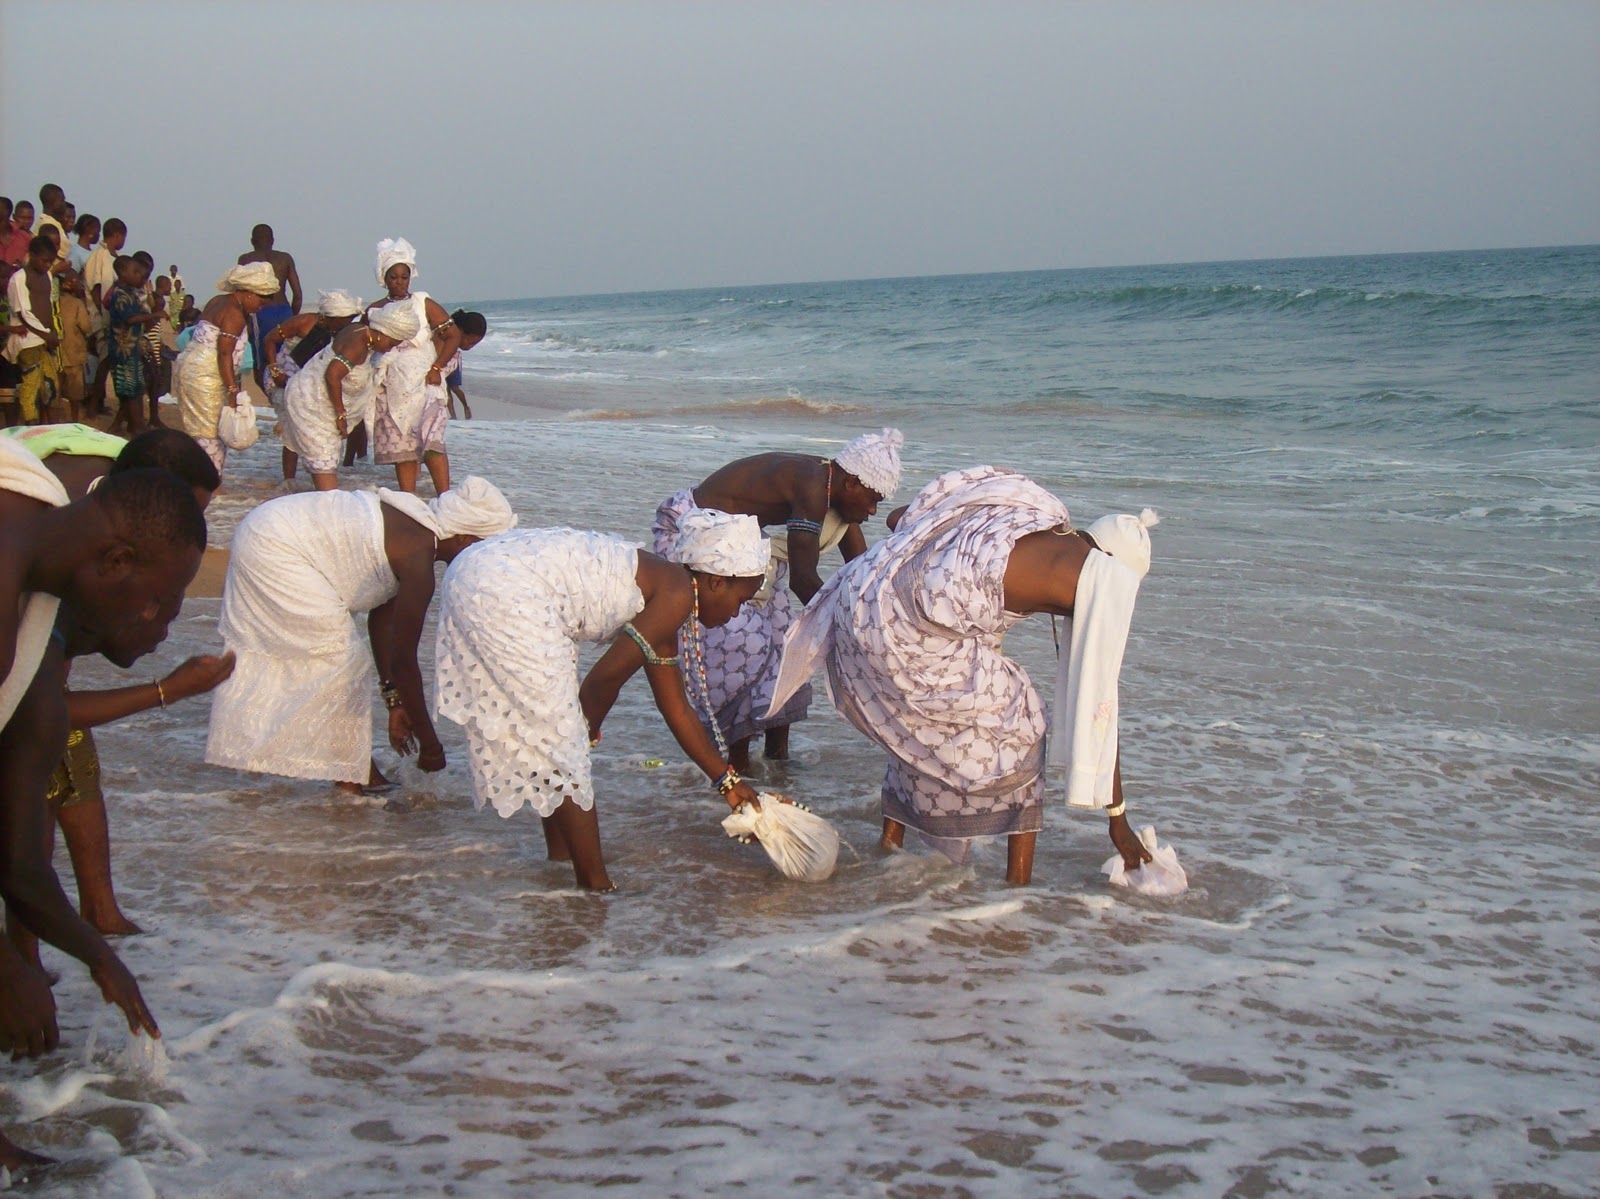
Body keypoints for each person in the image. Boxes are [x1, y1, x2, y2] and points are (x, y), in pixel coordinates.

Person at [767, 465, 1160, 886]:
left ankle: (891, 843)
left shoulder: (1031, 511)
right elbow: (1099, 703)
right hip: (905, 634)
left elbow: (900, 517)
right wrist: (1117, 818)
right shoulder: (1100, 580)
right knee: (1025, 724)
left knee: (925, 725)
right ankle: (1018, 884)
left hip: (861, 594)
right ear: (1116, 571)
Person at [0, 446, 206, 1174]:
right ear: (115, 560)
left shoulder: (37, 625)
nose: (156, 622)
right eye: (157, 601)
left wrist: (100, 959)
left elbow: (20, 861)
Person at [434, 510, 771, 891]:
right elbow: (604, 678)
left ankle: (562, 858)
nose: (737, 612)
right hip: (504, 588)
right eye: (742, 598)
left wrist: (728, 782)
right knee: (563, 745)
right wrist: (586, 730)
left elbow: (676, 708)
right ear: (714, 582)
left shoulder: (668, 592)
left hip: (481, 572)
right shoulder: (675, 596)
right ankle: (595, 887)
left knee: (553, 741)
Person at [5, 424, 226, 939]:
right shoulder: (54, 532)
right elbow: (39, 708)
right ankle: (22, 949)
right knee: (37, 765)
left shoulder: (119, 500)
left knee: (63, 751)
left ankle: (93, 918)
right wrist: (166, 690)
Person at [206, 477, 517, 795]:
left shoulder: (415, 529)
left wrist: (395, 703)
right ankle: (352, 778)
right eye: (485, 547)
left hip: (268, 527)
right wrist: (430, 744)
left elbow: (384, 626)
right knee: (341, 661)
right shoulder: (417, 561)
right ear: (465, 539)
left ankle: (334, 768)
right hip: (277, 546)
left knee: (328, 659)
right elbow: (405, 660)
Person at [651, 428, 902, 771]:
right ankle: (734, 763)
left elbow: (863, 570)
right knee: (742, 644)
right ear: (851, 483)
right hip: (695, 533)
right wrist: (850, 630)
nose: (873, 510)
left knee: (787, 639)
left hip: (740, 544)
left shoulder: (833, 491)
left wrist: (883, 619)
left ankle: (777, 758)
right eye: (872, 499)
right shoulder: (812, 488)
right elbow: (803, 579)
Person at [280, 298, 412, 491]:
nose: (390, 348)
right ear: (382, 332)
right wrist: (341, 414)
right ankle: (330, 504)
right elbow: (332, 374)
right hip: (312, 401)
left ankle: (321, 499)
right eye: (392, 342)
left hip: (310, 393)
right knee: (324, 458)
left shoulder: (358, 329)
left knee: (324, 457)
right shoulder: (357, 345)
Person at [367, 238, 460, 494]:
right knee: (403, 449)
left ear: (411, 277)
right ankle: (408, 503)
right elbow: (366, 347)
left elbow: (453, 335)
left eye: (404, 276)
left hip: (424, 381)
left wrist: (437, 368)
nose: (399, 282)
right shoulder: (375, 310)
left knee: (432, 443)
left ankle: (445, 498)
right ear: (383, 278)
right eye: (393, 277)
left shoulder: (423, 303)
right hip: (391, 385)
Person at [171, 262, 280, 473]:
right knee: (210, 431)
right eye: (260, 301)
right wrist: (232, 390)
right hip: (206, 373)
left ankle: (201, 478)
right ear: (247, 293)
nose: (260, 308)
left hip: (191, 365)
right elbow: (224, 354)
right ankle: (210, 484)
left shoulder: (218, 301)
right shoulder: (234, 314)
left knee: (201, 428)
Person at [262, 288, 365, 483]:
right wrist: (275, 371)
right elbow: (270, 339)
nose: (347, 325)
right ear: (330, 317)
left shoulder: (342, 333)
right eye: (344, 320)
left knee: (317, 424)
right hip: (283, 379)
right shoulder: (303, 323)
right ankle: (289, 481)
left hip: (308, 382)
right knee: (291, 424)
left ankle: (320, 471)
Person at [4, 236, 60, 426]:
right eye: (44, 260)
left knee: (51, 386)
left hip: (45, 338)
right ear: (32, 255)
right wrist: (46, 334)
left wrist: (52, 332)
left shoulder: (49, 276)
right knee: (31, 387)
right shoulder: (19, 278)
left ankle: (51, 430)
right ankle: (31, 428)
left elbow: (49, 306)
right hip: (27, 339)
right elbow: (23, 313)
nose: (47, 265)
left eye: (50, 261)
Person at [236, 224, 300, 386]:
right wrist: (292, 318)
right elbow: (297, 294)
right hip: (285, 311)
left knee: (263, 361)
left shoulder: (246, 259)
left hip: (261, 313)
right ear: (272, 240)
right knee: (287, 358)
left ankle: (273, 396)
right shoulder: (285, 259)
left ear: (252, 241)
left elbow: (241, 295)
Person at [105, 255, 162, 434]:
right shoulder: (120, 295)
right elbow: (130, 319)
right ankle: (137, 427)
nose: (139, 276)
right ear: (122, 273)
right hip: (123, 352)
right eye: (135, 272)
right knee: (129, 389)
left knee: (136, 388)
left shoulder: (131, 293)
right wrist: (154, 316)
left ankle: (136, 425)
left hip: (132, 350)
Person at [55, 273, 93, 422]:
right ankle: (74, 420)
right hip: (74, 354)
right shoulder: (77, 304)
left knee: (56, 391)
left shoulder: (54, 301)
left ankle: (55, 421)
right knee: (75, 395)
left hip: (57, 353)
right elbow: (86, 326)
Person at [441, 309, 486, 420]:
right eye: (470, 342)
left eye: (474, 344)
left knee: (452, 388)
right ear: (460, 331)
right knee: (451, 389)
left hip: (451, 366)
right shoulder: (442, 345)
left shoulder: (453, 350)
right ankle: (454, 415)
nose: (470, 347)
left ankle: (462, 408)